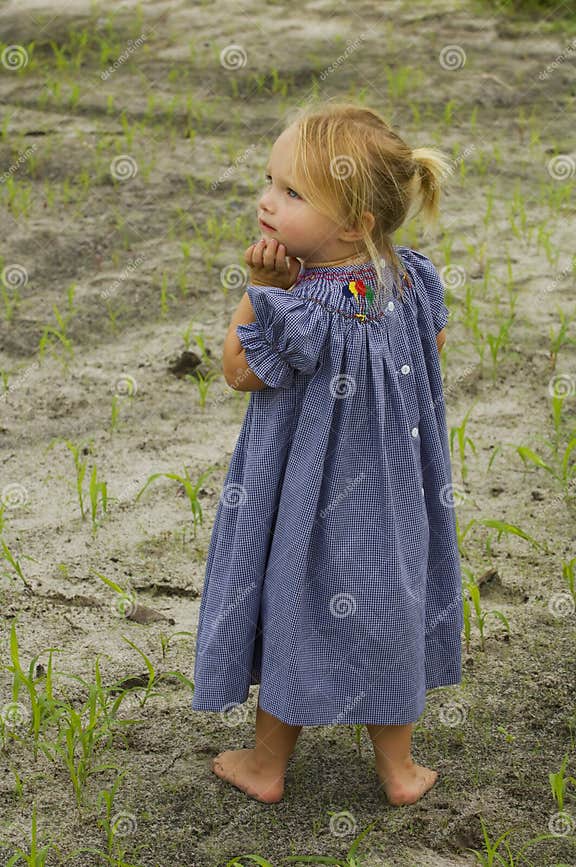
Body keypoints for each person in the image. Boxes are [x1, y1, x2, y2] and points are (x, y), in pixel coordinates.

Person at [191, 100, 463, 808]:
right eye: (270, 180)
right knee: (390, 605)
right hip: (395, 495)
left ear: (354, 224)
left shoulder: (299, 304)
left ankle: (265, 764)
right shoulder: (411, 280)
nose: (266, 201)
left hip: (303, 496)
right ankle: (400, 770)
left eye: (291, 192)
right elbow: (430, 357)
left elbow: (237, 371)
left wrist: (260, 295)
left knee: (293, 604)